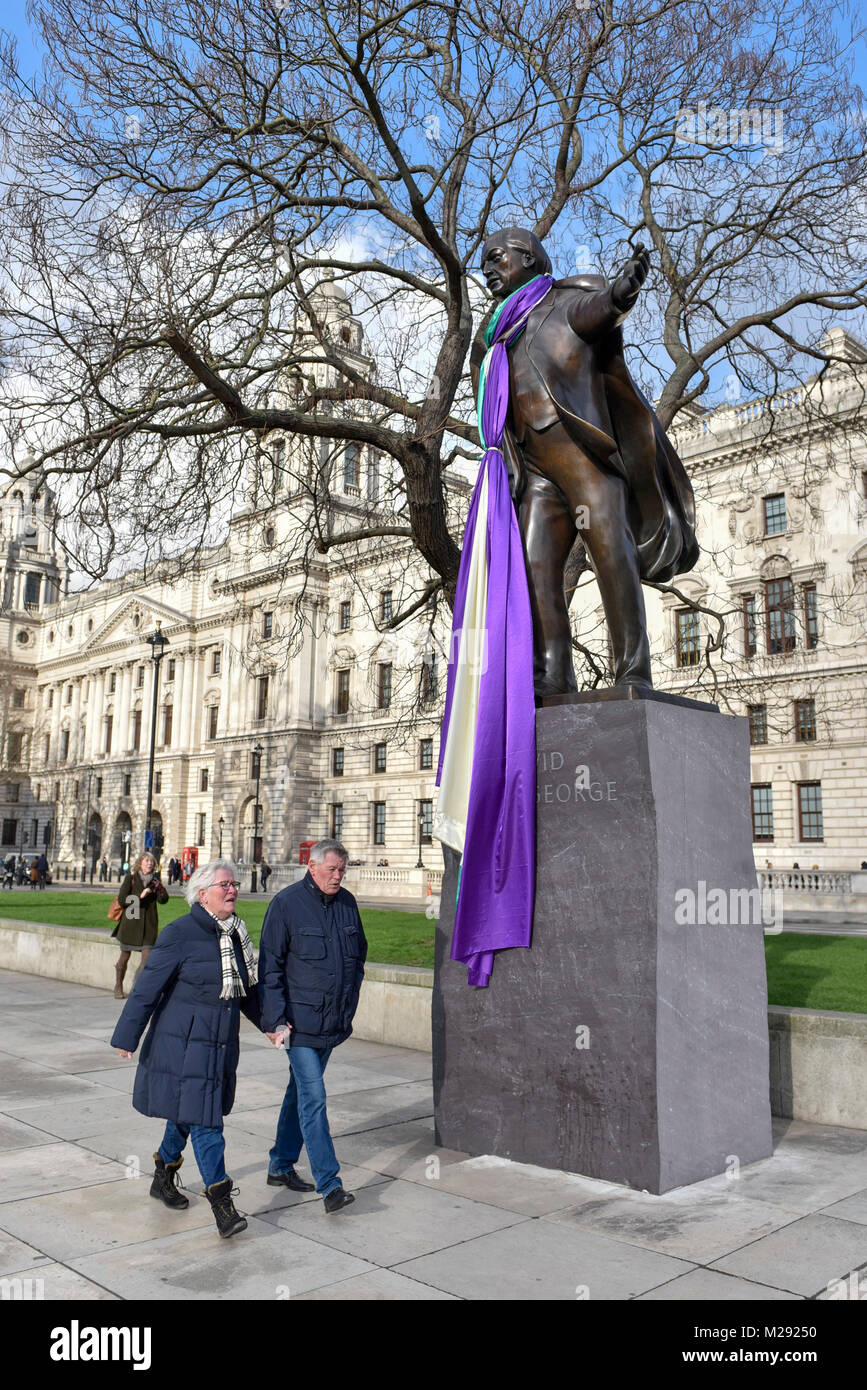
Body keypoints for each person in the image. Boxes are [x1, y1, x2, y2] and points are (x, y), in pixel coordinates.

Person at [473, 227, 698, 699]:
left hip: (586, 462)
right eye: (484, 262)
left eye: (497, 258)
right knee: (536, 571)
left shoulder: (564, 304)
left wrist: (622, 290)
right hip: (535, 475)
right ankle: (553, 674)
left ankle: (632, 671)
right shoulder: (495, 338)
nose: (488, 267)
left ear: (530, 259)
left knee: (613, 556)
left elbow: (602, 311)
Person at [111, 860, 260, 1239]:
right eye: (225, 884)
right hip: (183, 1047)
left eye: (234, 884)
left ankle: (162, 1177)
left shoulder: (234, 934)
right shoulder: (180, 933)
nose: (233, 890)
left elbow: (247, 992)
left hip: (219, 1046)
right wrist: (127, 1037)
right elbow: (147, 987)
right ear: (202, 893)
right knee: (208, 1123)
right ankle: (223, 1207)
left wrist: (273, 1025)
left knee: (185, 1114)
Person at [258, 838, 367, 1213]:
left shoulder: (348, 904)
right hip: (298, 1026)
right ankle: (329, 1184)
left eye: (342, 870)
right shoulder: (286, 904)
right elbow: (269, 967)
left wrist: (349, 1005)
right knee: (314, 1097)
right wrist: (274, 1020)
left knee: (299, 1094)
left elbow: (358, 958)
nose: (337, 876)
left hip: (332, 1023)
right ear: (312, 867)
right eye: (331, 869)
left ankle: (280, 1164)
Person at [112, 852, 169, 999]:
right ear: (140, 864)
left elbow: (164, 900)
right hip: (132, 921)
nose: (149, 864)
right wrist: (140, 896)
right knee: (124, 957)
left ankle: (138, 991)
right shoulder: (130, 879)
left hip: (149, 924)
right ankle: (118, 985)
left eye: (151, 861)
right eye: (146, 861)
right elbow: (122, 899)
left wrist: (160, 889)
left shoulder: (155, 880)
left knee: (147, 960)